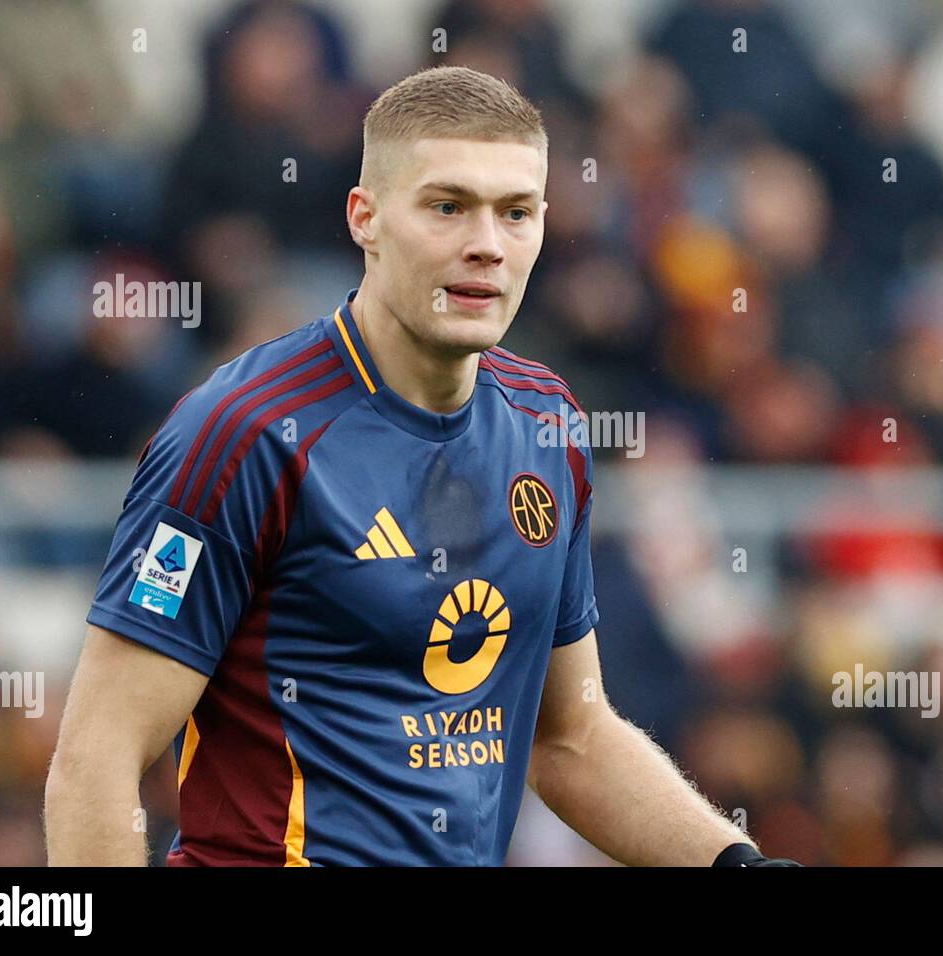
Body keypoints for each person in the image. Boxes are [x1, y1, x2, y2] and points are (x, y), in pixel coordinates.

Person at [44, 65, 798, 867]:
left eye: (515, 213)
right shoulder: (243, 434)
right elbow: (97, 758)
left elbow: (571, 738)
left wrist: (735, 863)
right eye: (448, 206)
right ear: (365, 219)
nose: (486, 244)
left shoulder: (548, 425)